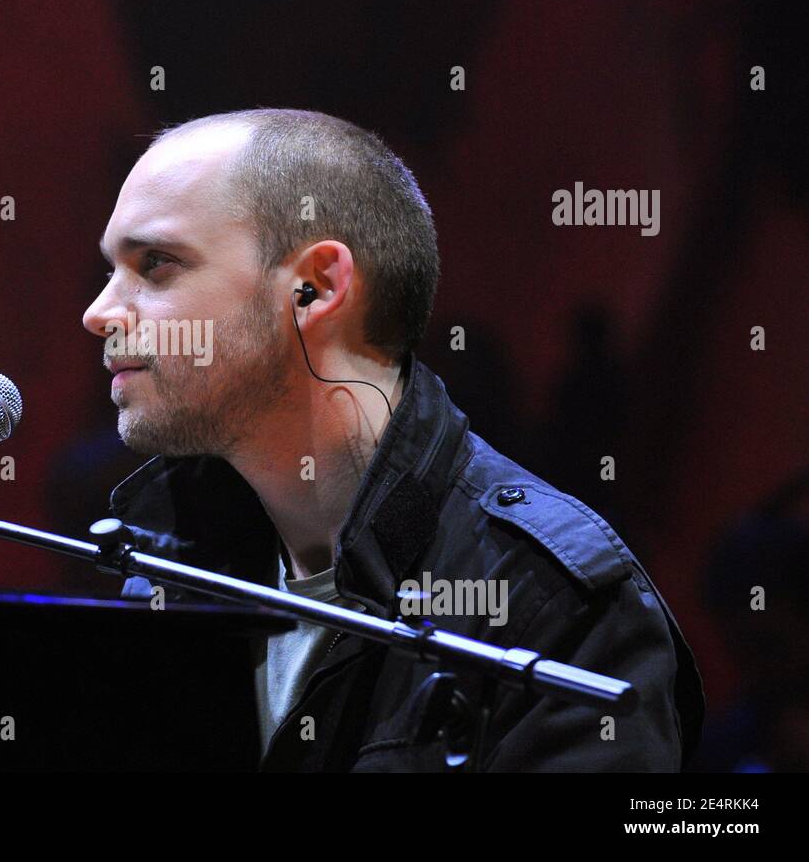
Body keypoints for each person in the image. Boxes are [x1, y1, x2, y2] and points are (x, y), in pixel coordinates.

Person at [81, 108, 704, 771]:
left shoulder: (550, 603)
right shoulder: (178, 566)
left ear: (313, 288)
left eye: (155, 264)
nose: (99, 313)